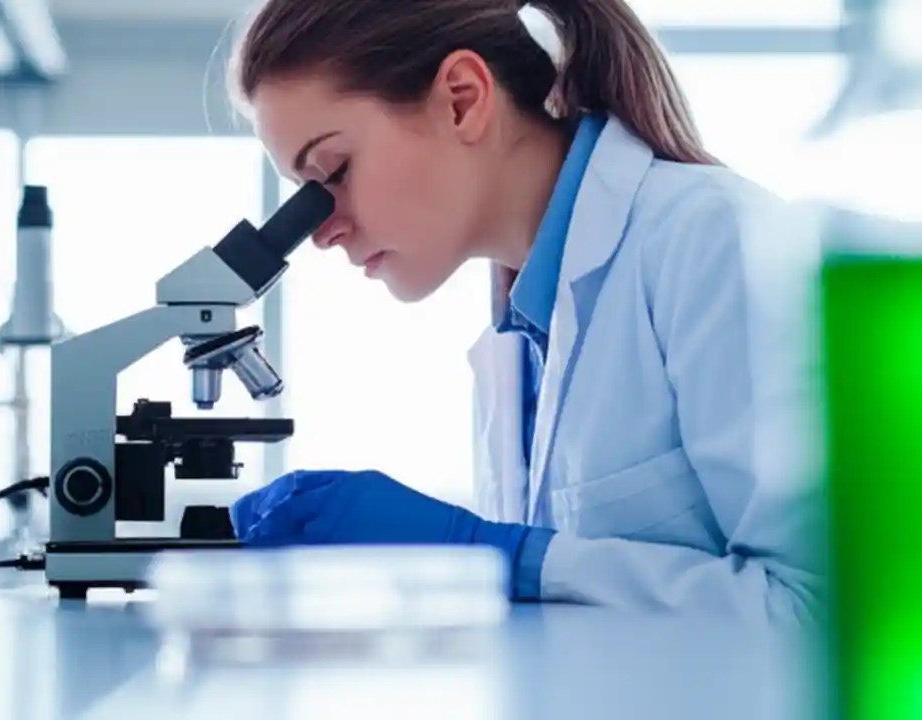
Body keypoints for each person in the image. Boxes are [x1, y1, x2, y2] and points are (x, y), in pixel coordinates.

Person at [225, 0, 824, 627]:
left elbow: (827, 608)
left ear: (462, 98)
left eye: (334, 172)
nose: (321, 232)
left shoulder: (714, 241)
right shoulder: (520, 337)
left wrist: (500, 557)